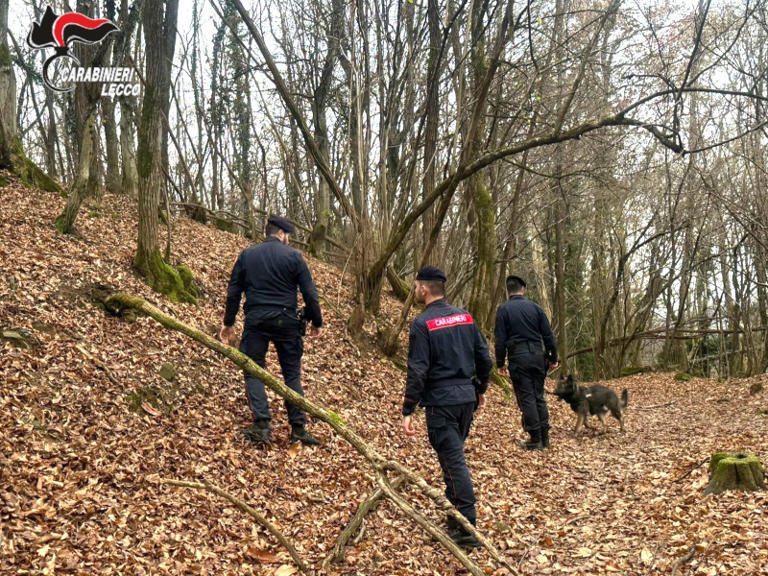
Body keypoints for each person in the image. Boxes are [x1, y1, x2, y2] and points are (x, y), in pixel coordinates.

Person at [401, 266, 492, 548]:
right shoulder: (465, 317)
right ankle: (455, 518)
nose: (415, 290)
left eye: (416, 286)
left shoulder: (422, 324)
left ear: (425, 288)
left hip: (442, 404)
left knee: (454, 462)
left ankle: (467, 528)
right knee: (451, 460)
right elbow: (485, 358)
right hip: (465, 400)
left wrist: (408, 408)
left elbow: (418, 370)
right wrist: (479, 389)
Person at [219, 215, 323, 446]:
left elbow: (234, 291)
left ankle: (262, 424)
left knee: (253, 370)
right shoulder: (294, 257)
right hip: (287, 321)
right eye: (288, 236)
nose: (289, 240)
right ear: (281, 234)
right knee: (292, 375)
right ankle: (298, 428)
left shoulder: (247, 255)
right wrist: (316, 321)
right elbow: (310, 294)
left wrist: (228, 322)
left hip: (256, 321)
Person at [494, 275, 559, 450]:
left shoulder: (503, 310)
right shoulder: (536, 308)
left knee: (527, 397)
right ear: (523, 289)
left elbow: (500, 340)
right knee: (538, 396)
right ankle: (544, 438)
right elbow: (549, 336)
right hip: (538, 356)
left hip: (518, 357)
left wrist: (500, 363)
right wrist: (553, 358)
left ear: (507, 291)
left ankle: (535, 438)